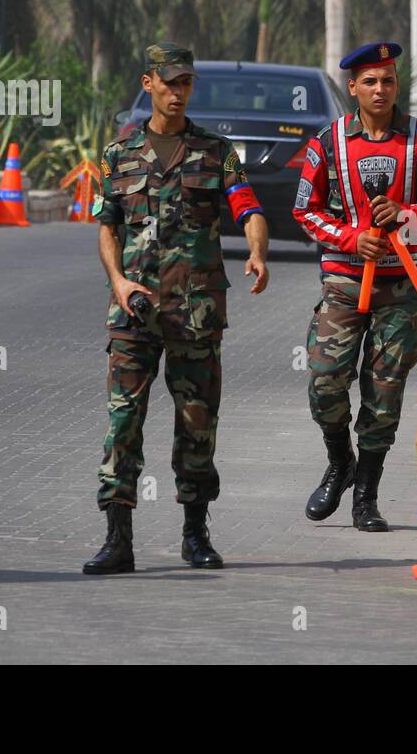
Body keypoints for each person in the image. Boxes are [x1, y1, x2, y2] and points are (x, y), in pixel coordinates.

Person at [84, 42, 270, 574]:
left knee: (197, 423)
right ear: (148, 84)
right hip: (135, 312)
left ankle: (195, 533)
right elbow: (107, 228)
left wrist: (256, 252)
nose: (177, 91)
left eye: (185, 83)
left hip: (195, 312)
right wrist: (118, 282)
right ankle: (117, 539)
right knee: (124, 422)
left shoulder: (215, 151)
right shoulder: (118, 155)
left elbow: (248, 206)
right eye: (168, 82)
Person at [293, 41, 417, 531]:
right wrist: (350, 237)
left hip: (403, 291)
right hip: (344, 283)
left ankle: (366, 494)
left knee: (384, 395)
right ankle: (338, 460)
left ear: (396, 85)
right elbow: (305, 209)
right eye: (370, 81)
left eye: (388, 80)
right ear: (353, 88)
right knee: (325, 379)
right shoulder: (327, 143)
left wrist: (406, 217)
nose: (380, 89)